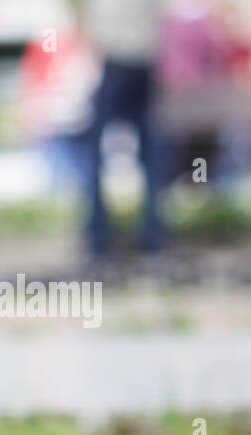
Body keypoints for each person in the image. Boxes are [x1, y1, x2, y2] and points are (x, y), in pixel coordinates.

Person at [79, 0, 169, 255]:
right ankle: (153, 234)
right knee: (150, 153)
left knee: (96, 151)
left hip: (115, 62)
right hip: (144, 63)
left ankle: (98, 235)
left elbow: (97, 30)